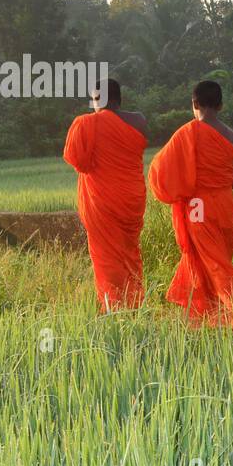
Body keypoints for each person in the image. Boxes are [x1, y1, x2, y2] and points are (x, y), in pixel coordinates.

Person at [147, 79, 233, 327]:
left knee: (214, 264)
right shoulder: (232, 136)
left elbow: (159, 171)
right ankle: (212, 317)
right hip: (225, 204)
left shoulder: (187, 133)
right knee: (218, 259)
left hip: (198, 208)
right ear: (221, 105)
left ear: (194, 104)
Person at [62, 78, 148, 311]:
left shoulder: (85, 123)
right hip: (132, 198)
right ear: (119, 98)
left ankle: (116, 309)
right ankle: (135, 304)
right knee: (129, 251)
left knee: (107, 257)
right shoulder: (139, 120)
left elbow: (78, 162)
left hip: (103, 201)